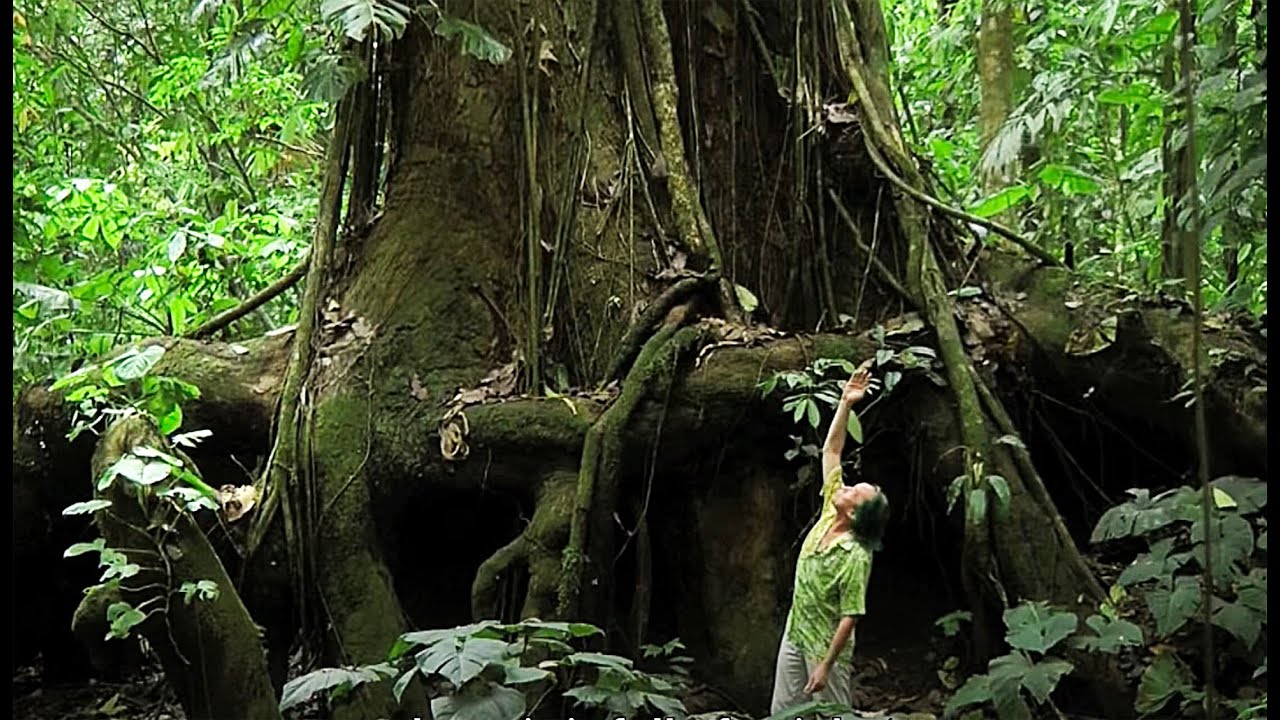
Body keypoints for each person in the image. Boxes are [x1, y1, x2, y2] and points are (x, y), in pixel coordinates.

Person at [771, 360, 890, 713]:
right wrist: (846, 403)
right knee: (781, 711)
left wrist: (825, 664)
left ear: (854, 513)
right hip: (796, 632)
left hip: (825, 647)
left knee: (832, 714)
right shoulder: (829, 515)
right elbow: (832, 451)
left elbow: (850, 615)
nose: (846, 486)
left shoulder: (856, 553)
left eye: (854, 491)